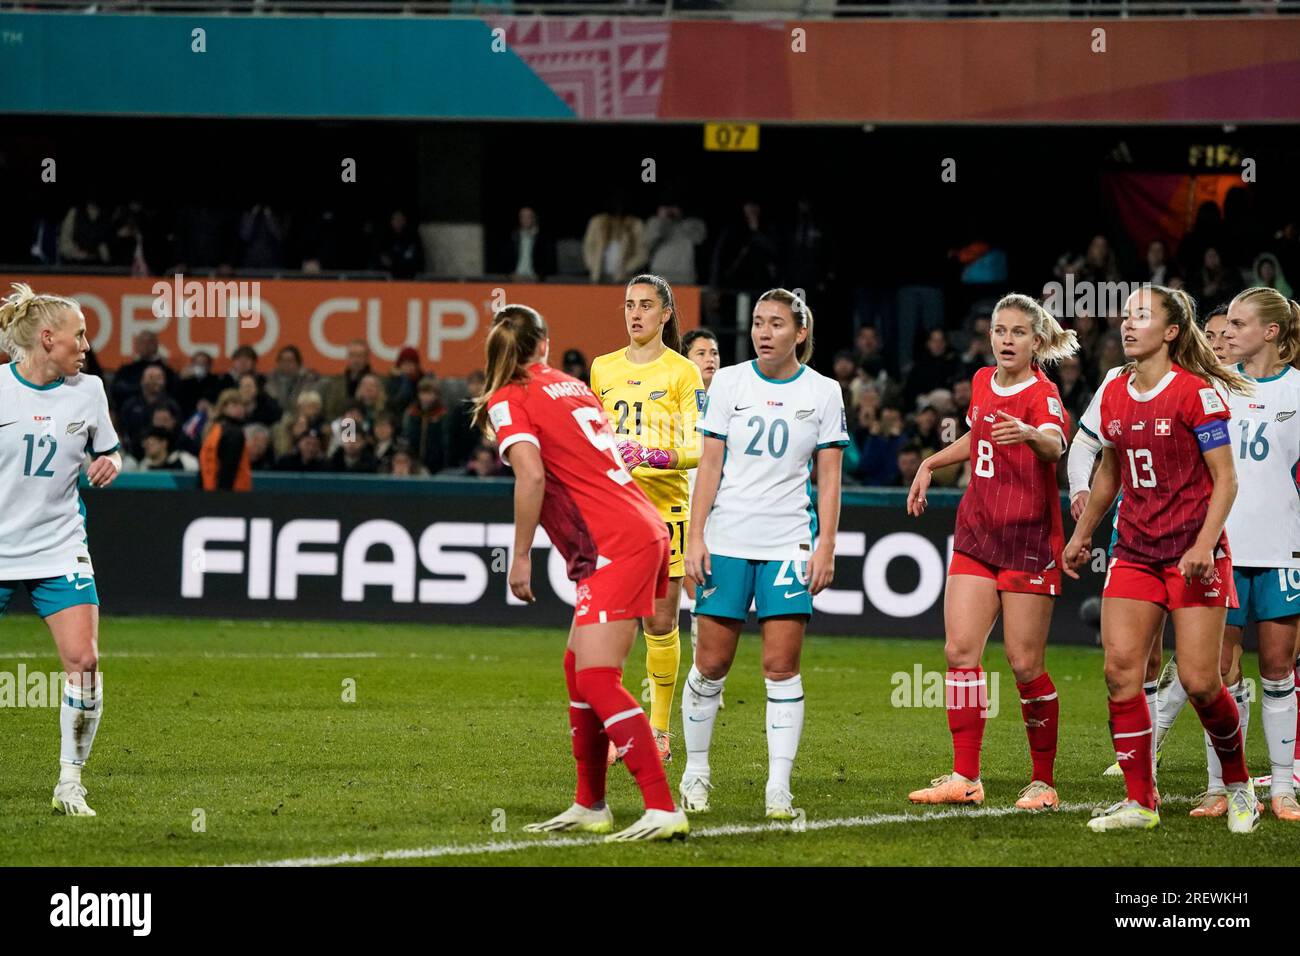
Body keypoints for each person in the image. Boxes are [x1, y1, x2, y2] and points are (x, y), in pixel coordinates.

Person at [476, 304, 687, 842]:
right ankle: (590, 803)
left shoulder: (507, 399)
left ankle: (663, 807)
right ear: (544, 344)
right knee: (578, 669)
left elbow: (531, 477)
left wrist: (520, 555)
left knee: (597, 677)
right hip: (636, 527)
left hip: (615, 541)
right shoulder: (570, 385)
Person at [1063, 285, 1258, 833]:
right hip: (1135, 553)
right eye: (1125, 315)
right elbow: (1109, 472)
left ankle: (1240, 787)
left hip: (1194, 556)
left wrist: (1203, 543)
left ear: (1172, 332)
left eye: (1142, 316)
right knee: (1120, 672)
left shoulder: (1197, 395)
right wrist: (1082, 534)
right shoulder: (1115, 391)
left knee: (1201, 681)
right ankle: (1140, 801)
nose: (1127, 325)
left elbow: (1226, 480)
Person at [906, 294, 1077, 810]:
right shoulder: (982, 382)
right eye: (1000, 330)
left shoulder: (1043, 396)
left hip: (1027, 544)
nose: (1006, 339)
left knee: (1025, 665)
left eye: (1018, 332)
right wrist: (930, 463)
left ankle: (1043, 782)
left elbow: (1054, 443)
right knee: (960, 654)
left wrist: (1028, 433)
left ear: (1037, 342)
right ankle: (966, 776)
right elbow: (977, 437)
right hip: (977, 536)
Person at [682, 288, 848, 819]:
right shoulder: (729, 381)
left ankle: (779, 786)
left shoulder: (824, 392)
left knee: (781, 666)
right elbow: (709, 466)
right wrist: (695, 536)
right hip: (727, 539)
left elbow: (829, 478)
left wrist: (826, 545)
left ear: (800, 332)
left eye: (776, 323)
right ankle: (696, 771)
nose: (763, 332)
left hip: (787, 543)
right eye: (757, 322)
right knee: (710, 663)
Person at [0, 283, 123, 816]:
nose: (86, 344)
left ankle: (70, 783)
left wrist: (109, 465)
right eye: (79, 334)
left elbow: (111, 451)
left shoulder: (88, 390)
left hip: (59, 544)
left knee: (85, 660)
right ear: (47, 339)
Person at [589, 275, 705, 766]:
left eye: (645, 306)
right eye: (629, 305)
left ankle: (658, 729)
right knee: (611, 624)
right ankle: (620, 724)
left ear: (665, 314)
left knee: (659, 622)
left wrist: (652, 454)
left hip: (665, 511)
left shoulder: (683, 373)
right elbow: (592, 433)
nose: (635, 313)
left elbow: (699, 448)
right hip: (614, 511)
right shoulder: (602, 368)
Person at [1209, 287, 1300, 819]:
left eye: (1239, 325)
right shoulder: (1214, 388)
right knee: (1220, 673)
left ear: (1270, 332)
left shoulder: (1297, 391)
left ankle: (1284, 789)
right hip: (1222, 548)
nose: (1226, 335)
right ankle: (1222, 787)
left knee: (1277, 669)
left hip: (1283, 549)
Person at [681, 327, 722, 702]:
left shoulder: (730, 404)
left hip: (719, 515)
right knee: (697, 597)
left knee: (709, 598)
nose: (710, 359)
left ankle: (706, 676)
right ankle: (703, 678)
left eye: (714, 353)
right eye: (701, 353)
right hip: (680, 511)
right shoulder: (676, 406)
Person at [199, 389, 251, 491]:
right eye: (234, 405)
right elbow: (228, 469)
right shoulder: (234, 433)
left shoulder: (213, 430)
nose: (240, 409)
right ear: (223, 408)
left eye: (241, 405)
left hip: (208, 489)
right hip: (234, 493)